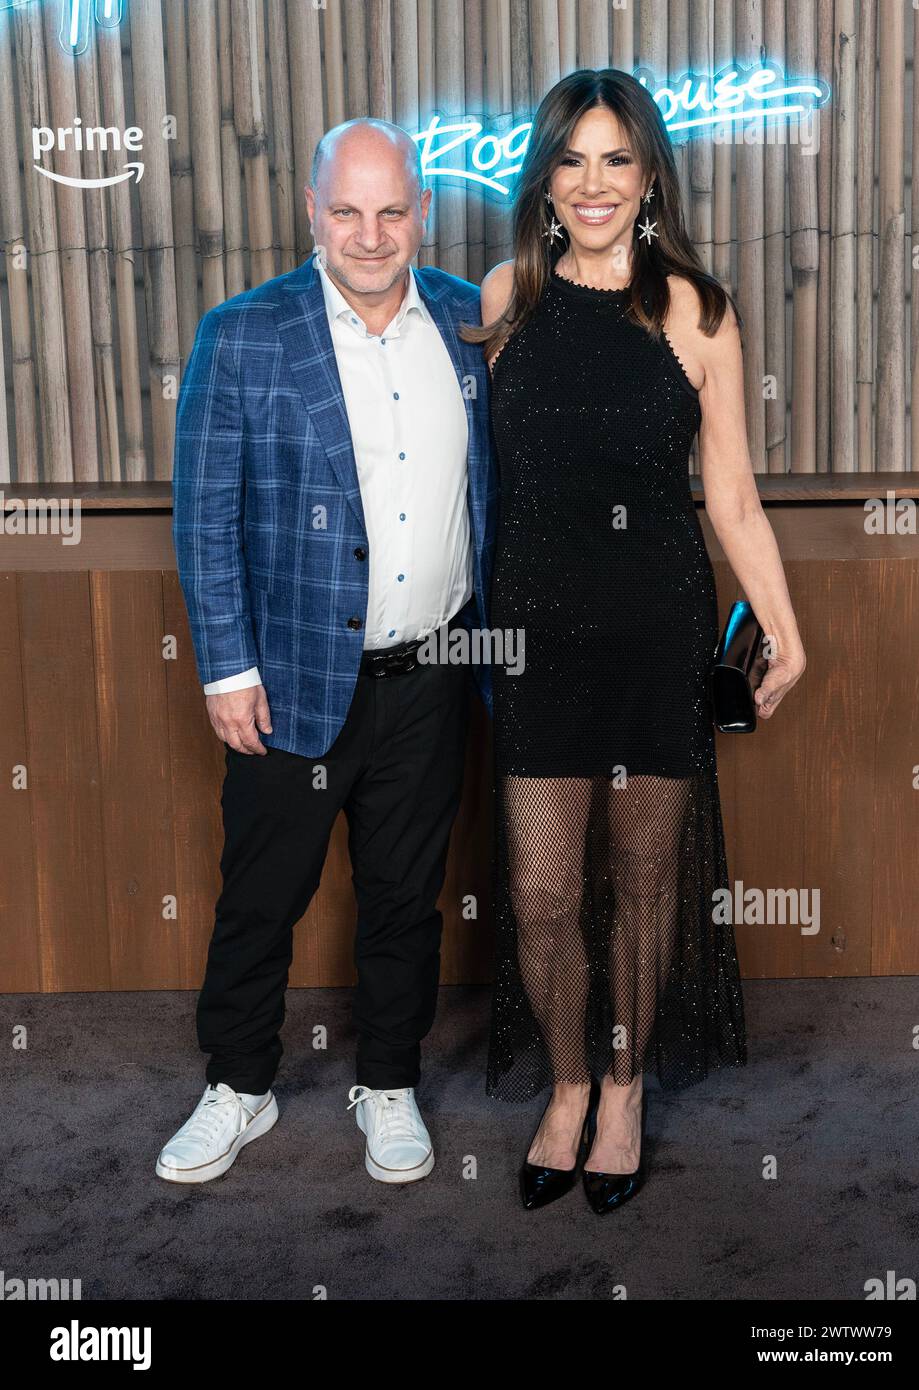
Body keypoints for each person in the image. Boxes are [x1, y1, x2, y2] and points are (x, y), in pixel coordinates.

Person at [468, 69, 806, 1213]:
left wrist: (785, 630)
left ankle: (620, 1088)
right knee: (545, 892)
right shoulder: (501, 298)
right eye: (573, 159)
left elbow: (735, 498)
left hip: (656, 628)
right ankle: (564, 1080)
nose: (595, 183)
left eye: (617, 159)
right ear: (545, 179)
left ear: (650, 174)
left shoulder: (699, 310)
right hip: (535, 636)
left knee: (647, 880)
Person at [162, 118, 496, 1185]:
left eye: (391, 210)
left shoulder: (467, 321)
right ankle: (240, 1084)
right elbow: (206, 514)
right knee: (262, 895)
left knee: (405, 896)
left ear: (421, 214)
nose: (369, 233)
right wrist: (225, 667)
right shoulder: (246, 332)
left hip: (433, 673)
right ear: (311, 210)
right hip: (289, 679)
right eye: (346, 210)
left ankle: (388, 1079)